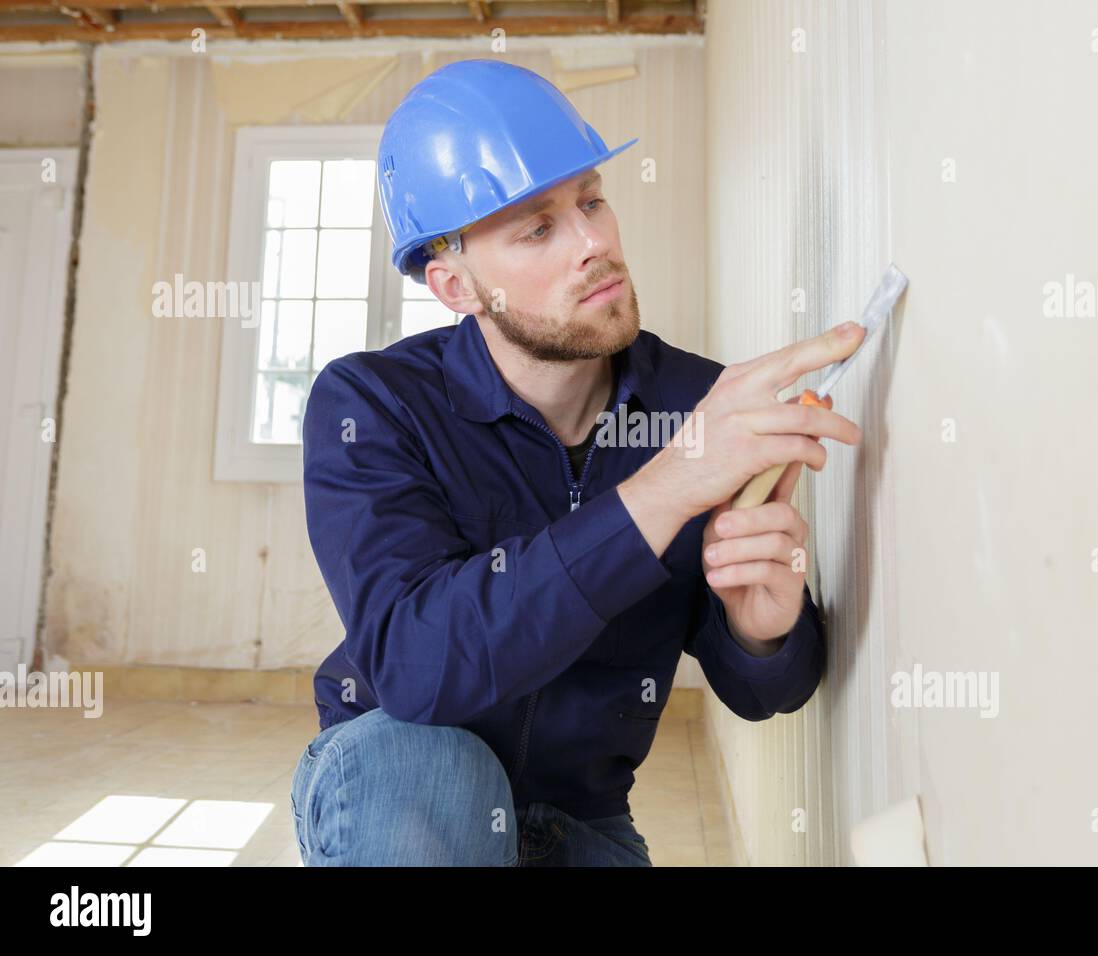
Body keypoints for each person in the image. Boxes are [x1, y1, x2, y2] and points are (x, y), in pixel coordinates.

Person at [290, 59, 865, 867]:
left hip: (582, 821)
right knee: (433, 765)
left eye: (592, 199)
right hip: (403, 785)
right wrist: (662, 493)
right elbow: (418, 670)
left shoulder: (695, 405)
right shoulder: (373, 405)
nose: (594, 242)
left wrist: (763, 632)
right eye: (538, 227)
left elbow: (765, 693)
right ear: (456, 287)